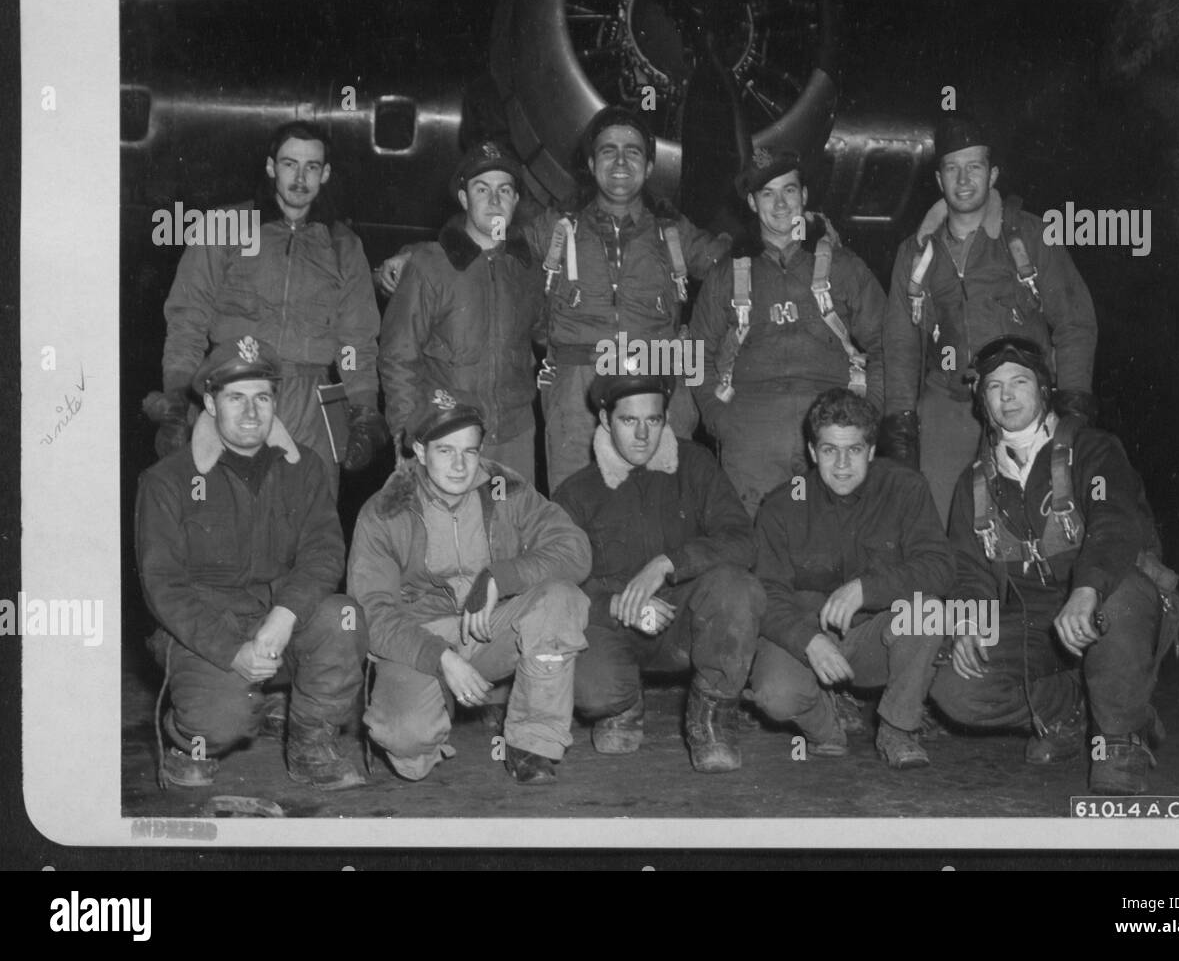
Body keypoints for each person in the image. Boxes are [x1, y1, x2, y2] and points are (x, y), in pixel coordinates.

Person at [929, 336, 1179, 794]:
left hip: (1114, 602)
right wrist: (968, 621)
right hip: (1038, 622)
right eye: (993, 386)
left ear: (1044, 390)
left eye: (1019, 381)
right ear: (981, 401)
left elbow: (1115, 524)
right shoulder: (975, 481)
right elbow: (969, 570)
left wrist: (1087, 590)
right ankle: (1072, 710)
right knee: (955, 688)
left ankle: (1121, 738)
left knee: (1120, 595)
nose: (1006, 395)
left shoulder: (1093, 449)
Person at [135, 336, 369, 791]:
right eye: (235, 398)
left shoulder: (304, 468)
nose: (251, 412)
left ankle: (309, 739)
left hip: (277, 622)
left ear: (275, 401)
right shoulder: (168, 480)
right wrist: (230, 650)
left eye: (262, 397)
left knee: (342, 616)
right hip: (203, 631)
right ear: (209, 401)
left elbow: (323, 553)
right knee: (221, 723)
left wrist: (283, 618)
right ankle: (190, 737)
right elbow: (163, 588)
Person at [348, 394, 592, 785]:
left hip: (489, 630)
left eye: (470, 451)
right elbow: (372, 613)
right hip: (418, 639)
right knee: (408, 746)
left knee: (561, 600)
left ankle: (531, 743)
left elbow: (575, 550)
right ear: (420, 451)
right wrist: (441, 659)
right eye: (445, 451)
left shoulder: (503, 489)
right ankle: (435, 707)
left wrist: (501, 577)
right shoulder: (386, 510)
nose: (460, 466)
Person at [879, 116, 1097, 524]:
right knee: (938, 520)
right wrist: (901, 424)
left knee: (1043, 518)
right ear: (938, 179)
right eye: (952, 168)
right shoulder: (915, 254)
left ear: (993, 173)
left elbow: (1075, 322)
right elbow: (901, 342)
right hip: (950, 401)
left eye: (974, 166)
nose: (963, 179)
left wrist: (1072, 406)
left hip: (1024, 402)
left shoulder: (1030, 237)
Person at [151, 121, 386, 497]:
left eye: (312, 167)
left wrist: (362, 409)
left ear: (325, 174)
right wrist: (177, 397)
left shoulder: (344, 245)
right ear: (271, 167)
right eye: (290, 164)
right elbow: (188, 318)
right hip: (234, 387)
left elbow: (355, 340)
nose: (300, 177)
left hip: (312, 399)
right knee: (222, 516)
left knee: (308, 520)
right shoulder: (223, 227)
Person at [552, 371, 764, 773]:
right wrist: (615, 604)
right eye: (628, 421)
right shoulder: (576, 493)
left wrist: (669, 564)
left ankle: (711, 714)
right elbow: (558, 584)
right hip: (616, 628)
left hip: (686, 621)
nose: (642, 434)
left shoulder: (696, 465)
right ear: (604, 420)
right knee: (591, 688)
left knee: (739, 587)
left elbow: (743, 541)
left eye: (653, 420)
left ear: (666, 419)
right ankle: (622, 706)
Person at [526, 107, 732, 490]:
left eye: (633, 151)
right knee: (575, 513)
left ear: (649, 166)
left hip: (656, 382)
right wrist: (415, 252)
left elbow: (733, 268)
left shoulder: (673, 232)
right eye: (608, 150)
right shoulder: (556, 228)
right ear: (591, 163)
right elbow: (491, 244)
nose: (620, 160)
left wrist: (803, 233)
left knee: (663, 512)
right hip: (576, 392)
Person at [749, 388, 954, 768]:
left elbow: (940, 567)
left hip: (876, 640)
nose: (842, 464)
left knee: (928, 612)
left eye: (854, 450)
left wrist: (867, 589)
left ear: (872, 450)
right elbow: (764, 592)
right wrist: (806, 640)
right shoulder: (781, 505)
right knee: (775, 695)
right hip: (809, 638)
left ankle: (898, 726)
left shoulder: (905, 488)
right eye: (829, 450)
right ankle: (825, 727)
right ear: (812, 452)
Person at [691, 148, 886, 516]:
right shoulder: (726, 276)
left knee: (836, 544)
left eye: (790, 190)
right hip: (751, 434)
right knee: (757, 548)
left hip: (834, 429)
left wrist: (870, 411)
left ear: (805, 196)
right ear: (751, 202)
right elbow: (696, 353)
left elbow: (887, 341)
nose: (781, 204)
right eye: (768, 193)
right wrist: (716, 415)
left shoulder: (844, 267)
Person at [379, 142, 545, 483]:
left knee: (509, 532)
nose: (494, 200)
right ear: (464, 198)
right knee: (445, 534)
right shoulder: (429, 267)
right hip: (447, 433)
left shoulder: (529, 270)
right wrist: (406, 438)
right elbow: (398, 356)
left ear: (515, 200)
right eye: (482, 189)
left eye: (505, 190)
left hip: (514, 438)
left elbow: (547, 333)